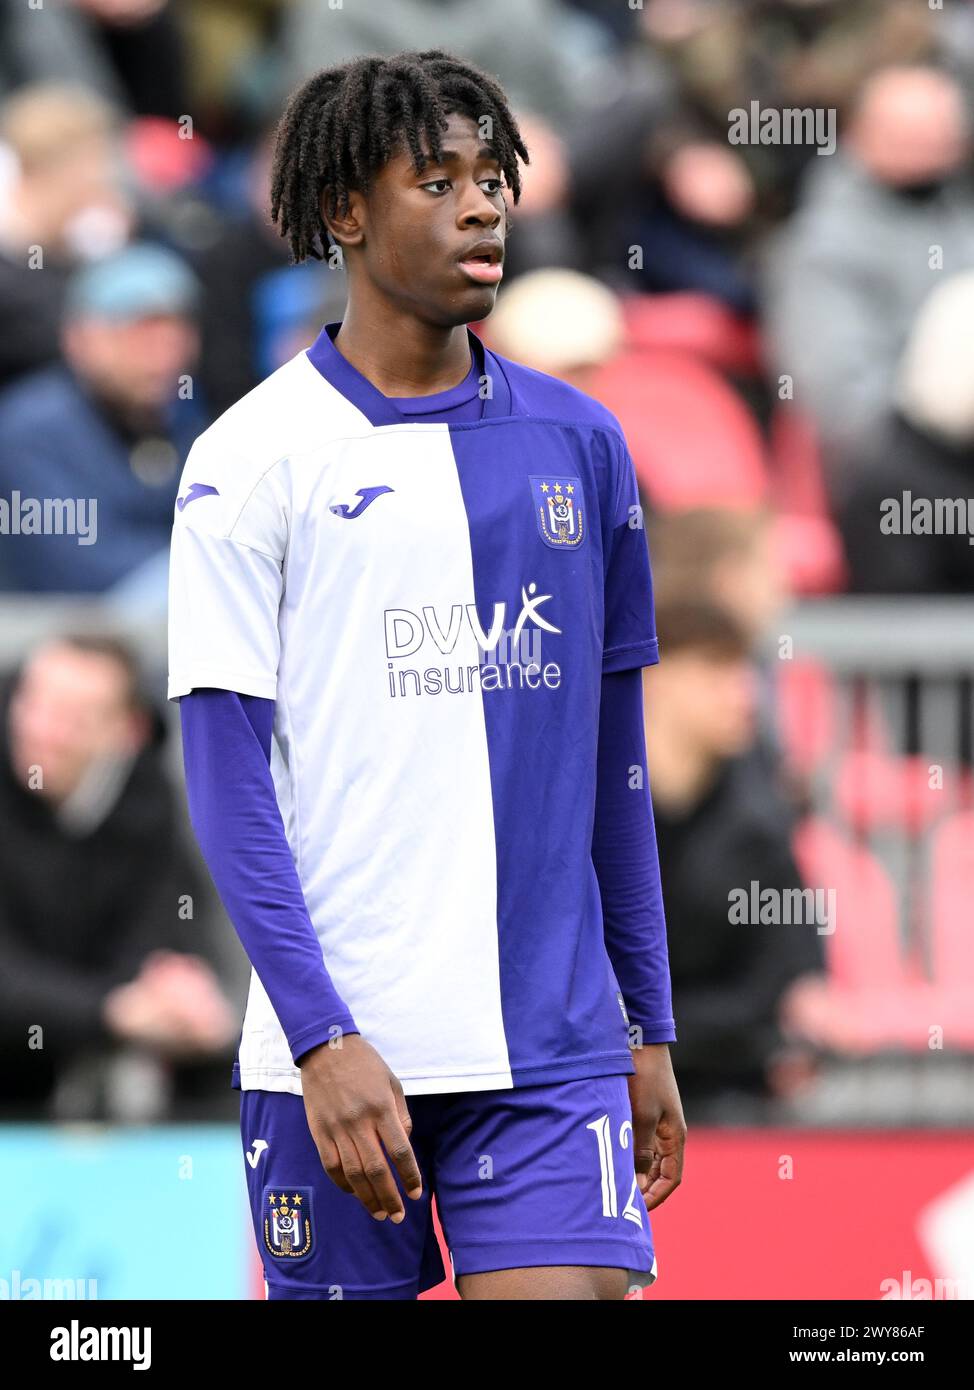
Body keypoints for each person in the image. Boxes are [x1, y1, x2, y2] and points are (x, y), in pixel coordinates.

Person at [169, 50, 685, 1302]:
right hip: (339, 1055)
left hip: (551, 1045)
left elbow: (612, 765)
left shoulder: (582, 441)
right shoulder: (252, 461)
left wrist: (647, 1023)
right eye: (437, 179)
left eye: (494, 178)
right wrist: (319, 1038)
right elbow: (228, 783)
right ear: (344, 210)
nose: (483, 205)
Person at [0, 635, 235, 1119]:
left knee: (222, 1058)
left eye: (73, 718)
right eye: (34, 703)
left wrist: (177, 994)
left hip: (95, 1041)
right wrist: (112, 1010)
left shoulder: (148, 799)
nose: (43, 729)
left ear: (125, 733)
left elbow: (170, 931)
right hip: (32, 1048)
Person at [642, 600, 824, 1118]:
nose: (746, 694)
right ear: (653, 677)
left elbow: (782, 988)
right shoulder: (588, 816)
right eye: (716, 670)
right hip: (602, 1098)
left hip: (729, 1101)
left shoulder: (762, 824)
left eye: (746, 671)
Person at [0, 241, 204, 597]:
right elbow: (74, 569)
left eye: (175, 335)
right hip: (48, 637)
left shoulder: (182, 416)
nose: (163, 356)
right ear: (80, 338)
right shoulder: (31, 427)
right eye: (141, 336)